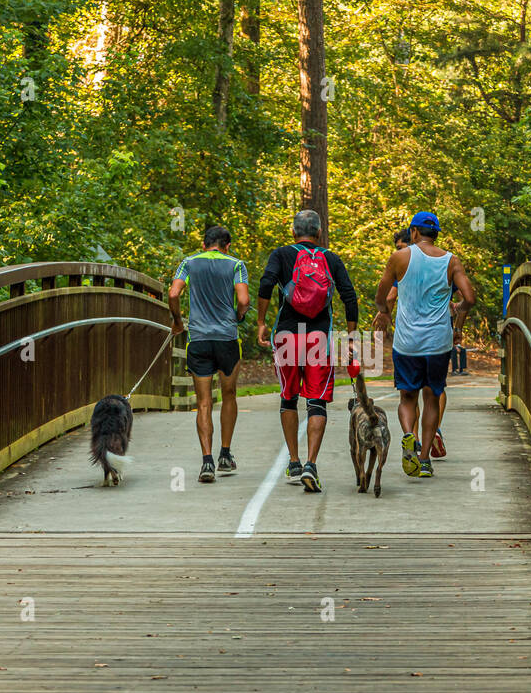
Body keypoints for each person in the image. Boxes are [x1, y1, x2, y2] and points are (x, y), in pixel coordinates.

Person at [256, 209, 359, 493]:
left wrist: (262, 322)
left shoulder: (281, 254)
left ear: (293, 232)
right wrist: (351, 338)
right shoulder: (330, 258)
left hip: (287, 334)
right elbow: (349, 296)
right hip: (318, 337)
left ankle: (294, 460)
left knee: (288, 397)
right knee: (317, 401)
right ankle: (312, 463)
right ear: (319, 232)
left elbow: (266, 284)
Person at [373, 211, 475, 478]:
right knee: (432, 397)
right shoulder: (451, 261)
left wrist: (384, 312)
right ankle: (425, 459)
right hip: (438, 342)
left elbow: (381, 295)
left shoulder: (399, 258)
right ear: (436, 234)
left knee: (407, 397)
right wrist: (457, 315)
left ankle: (409, 435)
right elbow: (470, 298)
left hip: (407, 342)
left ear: (414, 232)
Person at [169, 225, 250, 483]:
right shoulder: (236, 265)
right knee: (229, 395)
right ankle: (225, 453)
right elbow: (244, 300)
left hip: (199, 339)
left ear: (204, 245)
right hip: (227, 338)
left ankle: (207, 462)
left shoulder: (189, 263)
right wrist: (238, 316)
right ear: (227, 246)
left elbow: (173, 293)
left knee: (203, 403)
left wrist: (178, 322)